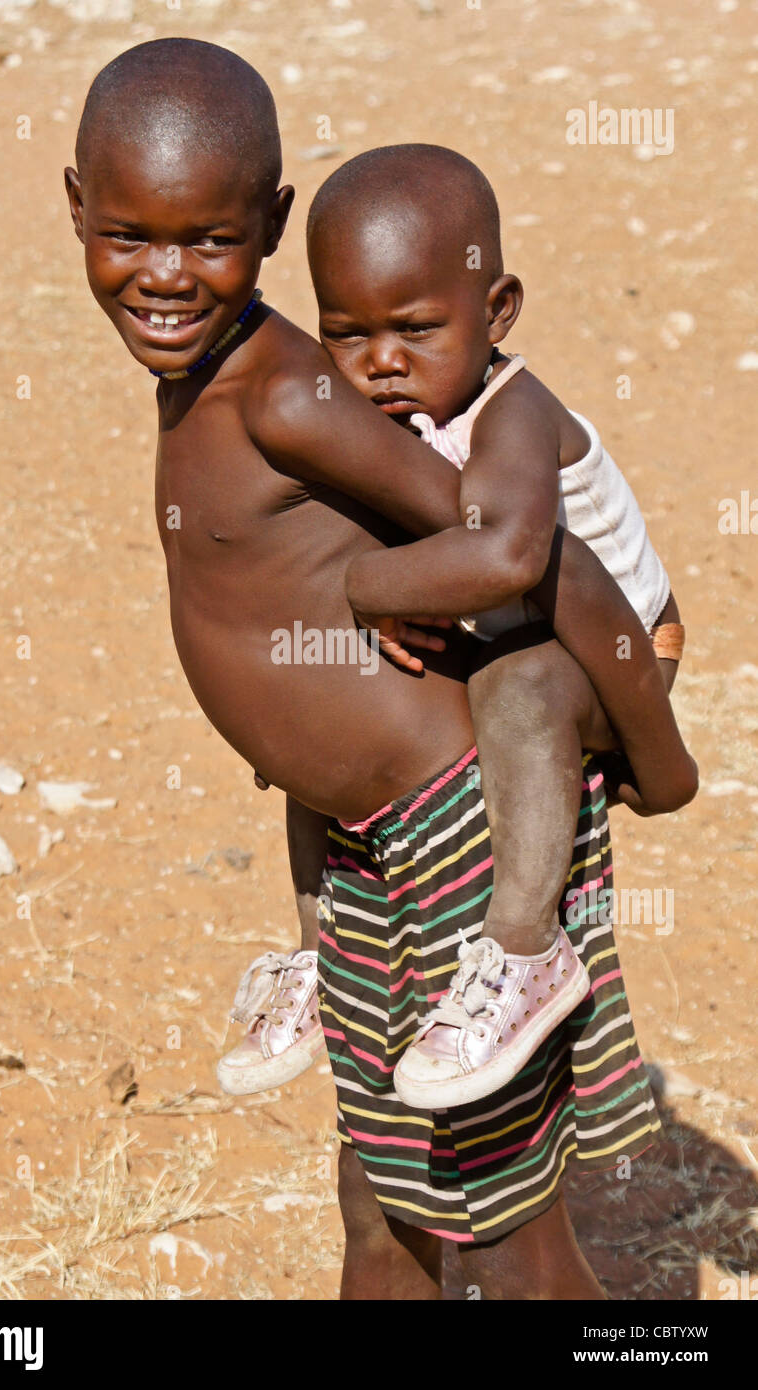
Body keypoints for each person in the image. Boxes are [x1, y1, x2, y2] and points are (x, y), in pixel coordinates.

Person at [65, 39, 696, 1297]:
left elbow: (532, 556)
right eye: (130, 237)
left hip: (461, 833)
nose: (165, 278)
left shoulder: (289, 391)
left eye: (207, 242)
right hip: (366, 847)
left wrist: (650, 748)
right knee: (378, 1200)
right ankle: (313, 964)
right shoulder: (206, 370)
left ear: (267, 228)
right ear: (76, 210)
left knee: (504, 1231)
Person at [220, 144, 693, 1113]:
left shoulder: (513, 413)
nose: (380, 363)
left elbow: (513, 554)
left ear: (497, 310)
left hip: (610, 650)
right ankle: (319, 962)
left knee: (513, 689)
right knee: (333, 733)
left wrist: (368, 586)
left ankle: (526, 949)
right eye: (346, 336)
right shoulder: (387, 416)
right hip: (500, 624)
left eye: (415, 330)